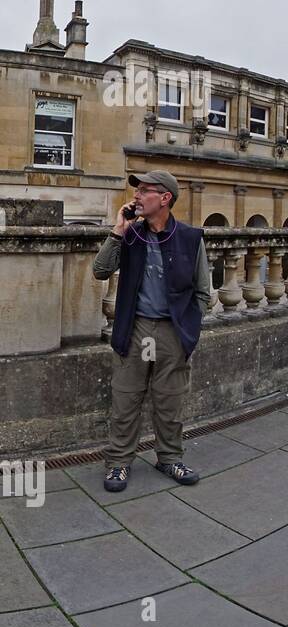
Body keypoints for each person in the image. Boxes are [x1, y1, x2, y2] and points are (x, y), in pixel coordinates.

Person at [91, 172, 216, 492]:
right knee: (125, 400)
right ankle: (118, 463)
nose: (137, 195)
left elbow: (203, 291)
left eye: (145, 190)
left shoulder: (190, 237)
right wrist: (118, 230)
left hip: (172, 331)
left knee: (170, 401)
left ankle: (169, 458)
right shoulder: (130, 234)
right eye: (137, 189)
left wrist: (188, 327)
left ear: (165, 198)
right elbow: (100, 270)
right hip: (136, 328)